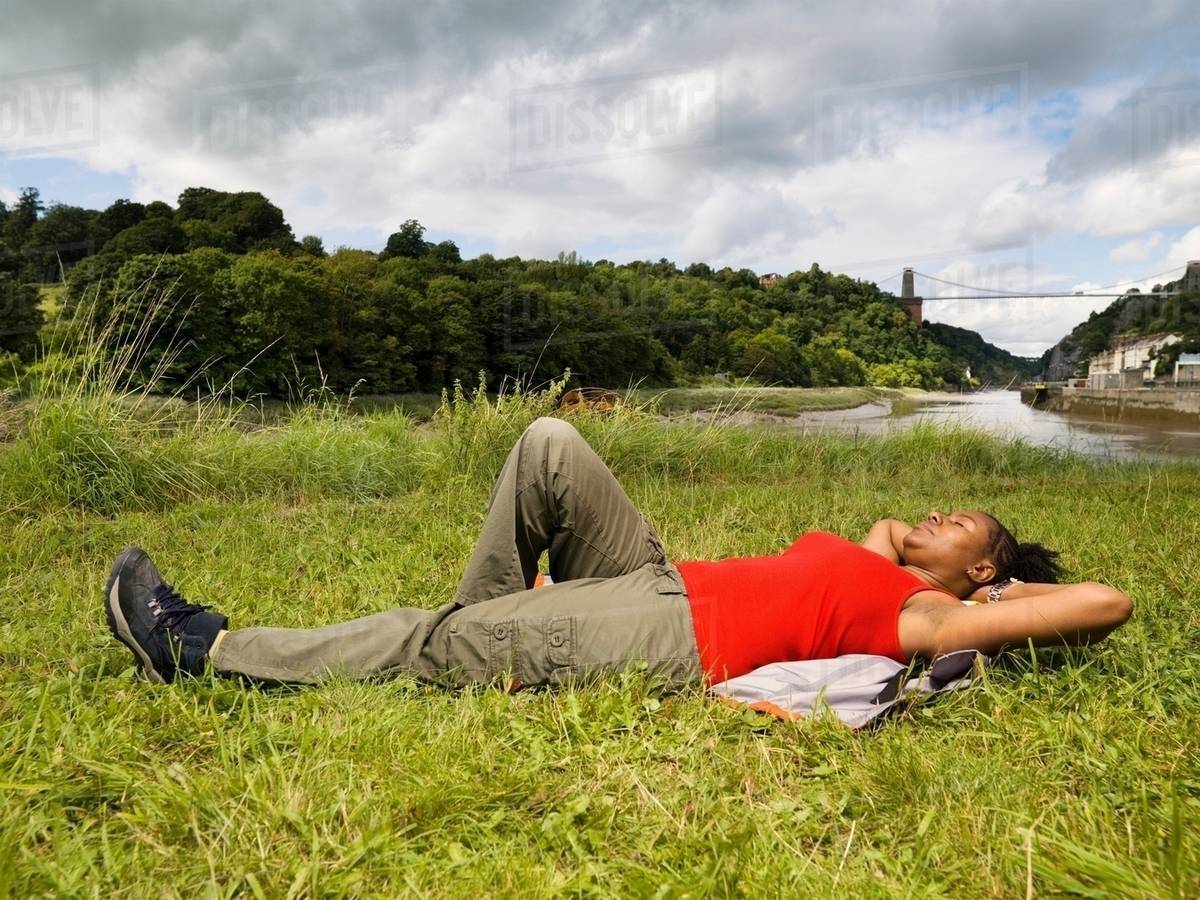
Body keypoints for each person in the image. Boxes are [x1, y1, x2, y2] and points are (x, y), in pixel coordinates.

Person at [103, 417, 1134, 688]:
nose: (940, 516)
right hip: (658, 577)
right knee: (550, 446)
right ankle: (481, 637)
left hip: (673, 633)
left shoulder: (932, 617)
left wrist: (994, 599)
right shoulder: (885, 564)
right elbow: (872, 541)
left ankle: (202, 650)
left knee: (430, 644)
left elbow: (1107, 601)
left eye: (967, 527)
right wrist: (918, 538)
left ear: (985, 577)